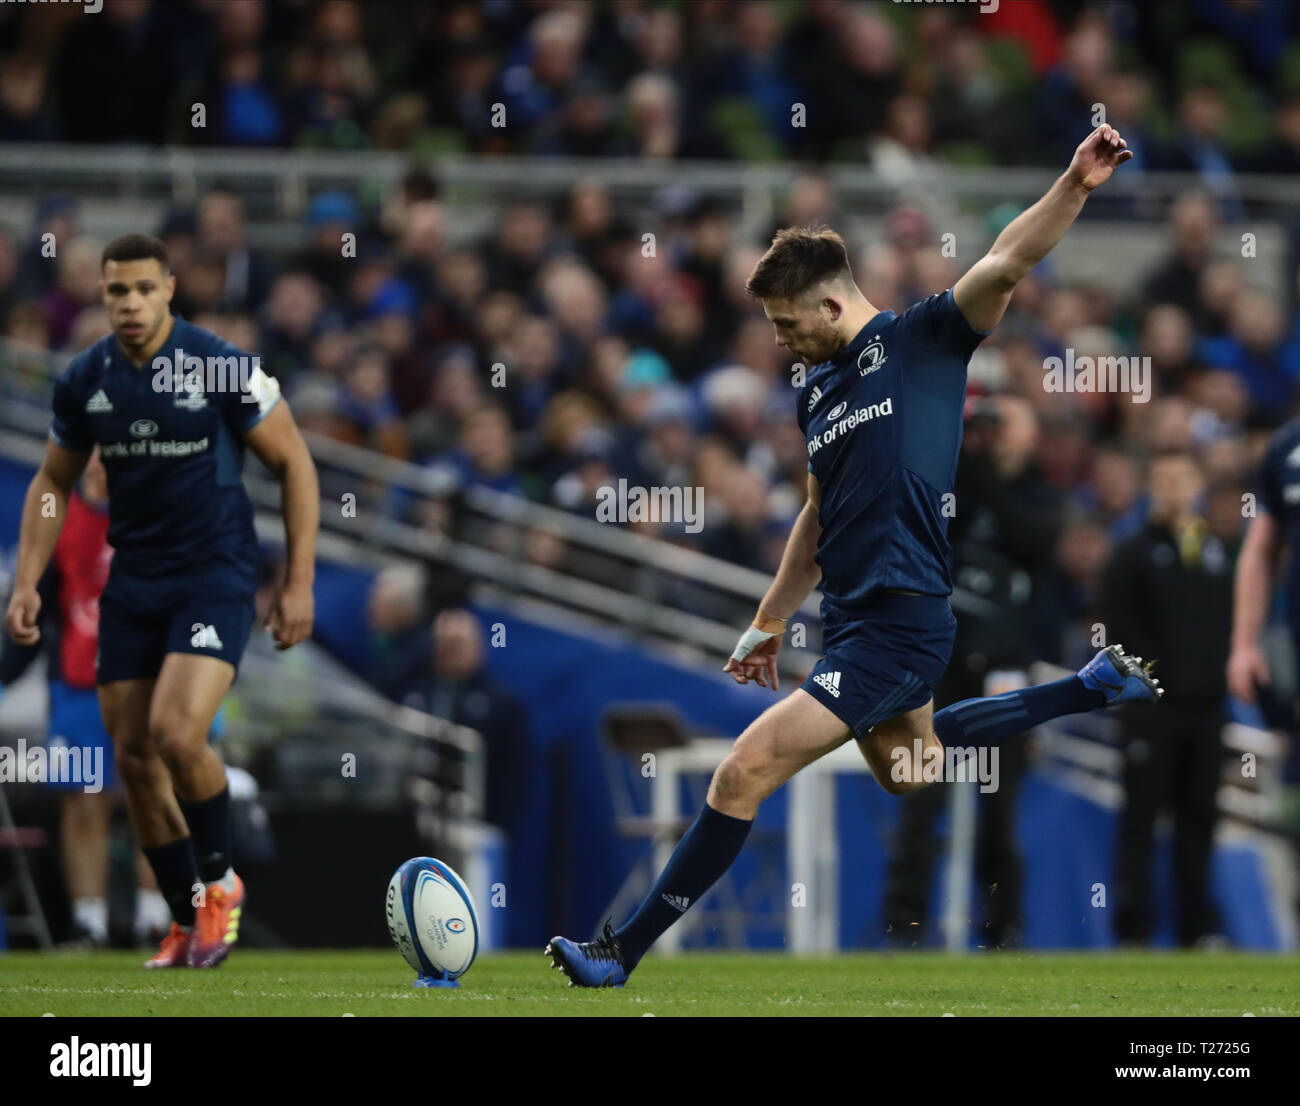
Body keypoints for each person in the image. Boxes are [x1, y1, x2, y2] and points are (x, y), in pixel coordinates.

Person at [547, 125, 1162, 987]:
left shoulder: (925, 343)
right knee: (913, 771)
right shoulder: (817, 392)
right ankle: (1088, 688)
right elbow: (816, 514)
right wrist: (770, 619)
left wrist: (1077, 183)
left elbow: (1004, 262)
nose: (780, 342)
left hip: (903, 618)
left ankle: (620, 950)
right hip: (852, 622)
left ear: (832, 306)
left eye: (788, 324)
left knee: (741, 774)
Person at [4, 233, 320, 969]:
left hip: (214, 571)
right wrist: (27, 578)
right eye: (117, 291)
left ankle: (220, 886)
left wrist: (299, 578)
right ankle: (183, 919)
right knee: (135, 756)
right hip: (135, 581)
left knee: (179, 736)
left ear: (170, 289)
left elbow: (296, 463)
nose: (131, 304)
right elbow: (52, 483)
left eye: (144, 289)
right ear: (104, 297)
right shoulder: (86, 380)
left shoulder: (220, 366)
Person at [1104, 449, 1232, 946]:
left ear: (1198, 485)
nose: (1172, 489)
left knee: (1198, 820)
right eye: (1162, 481)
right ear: (1150, 488)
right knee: (1140, 819)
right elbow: (1120, 633)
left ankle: (1194, 932)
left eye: (1181, 479)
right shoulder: (1132, 553)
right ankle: (1132, 933)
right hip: (1150, 713)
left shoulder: (1217, 552)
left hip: (1206, 711)